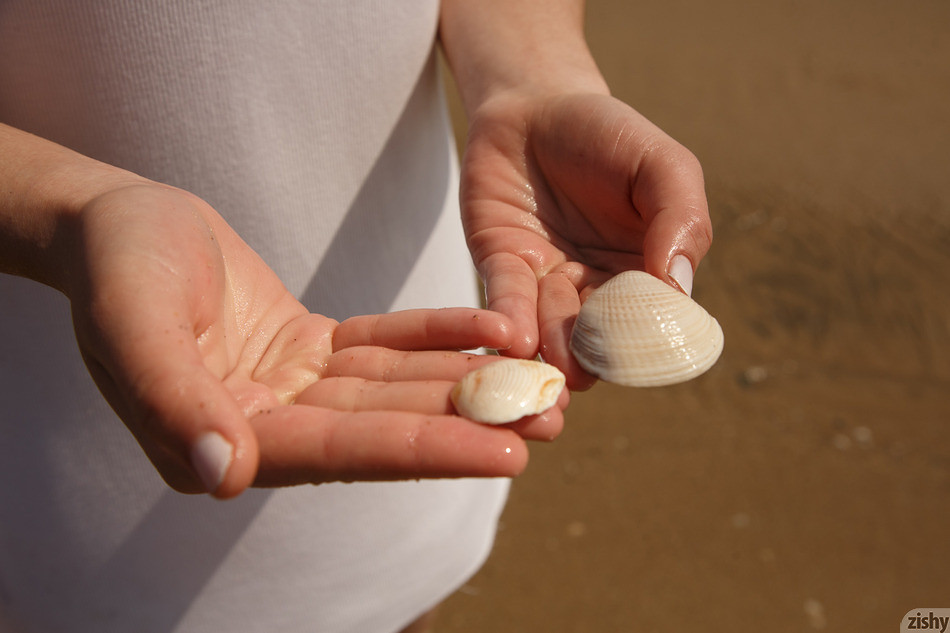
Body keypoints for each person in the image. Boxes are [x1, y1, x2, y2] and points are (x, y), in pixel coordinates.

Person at [0, 1, 711, 632]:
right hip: (69, 484)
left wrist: (533, 77)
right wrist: (67, 209)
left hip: (429, 357)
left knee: (402, 597)